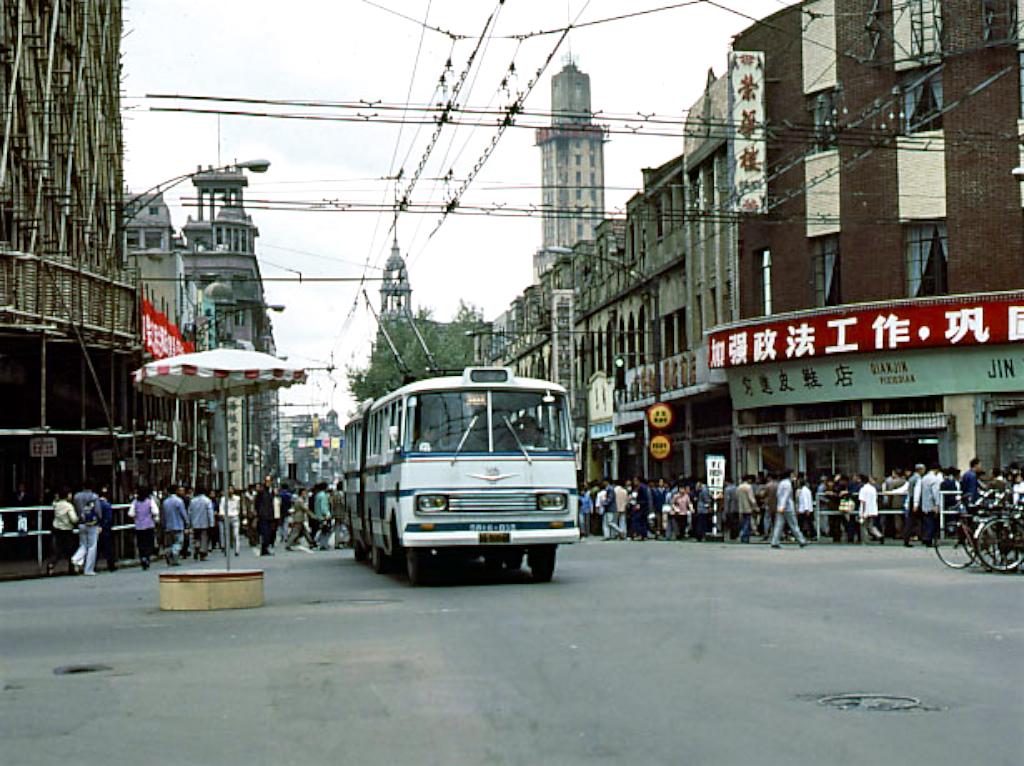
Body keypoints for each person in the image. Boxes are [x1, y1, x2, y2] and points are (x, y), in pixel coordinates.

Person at [770, 469, 807, 549]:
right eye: (793, 474)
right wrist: (783, 506)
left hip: (780, 507)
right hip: (788, 508)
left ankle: (775, 541)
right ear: (790, 474)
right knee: (793, 524)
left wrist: (780, 506)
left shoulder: (781, 483)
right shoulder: (788, 484)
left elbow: (779, 495)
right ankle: (801, 540)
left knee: (779, 525)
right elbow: (785, 496)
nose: (794, 476)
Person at [71, 480, 101, 575]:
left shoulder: (76, 496)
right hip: (92, 523)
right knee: (92, 546)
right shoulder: (94, 496)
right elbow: (97, 511)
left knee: (83, 544)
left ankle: (76, 558)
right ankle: (88, 569)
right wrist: (99, 520)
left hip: (81, 522)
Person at [45, 489, 78, 576]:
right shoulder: (69, 506)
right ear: (67, 495)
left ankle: (51, 565)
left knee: (57, 550)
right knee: (71, 550)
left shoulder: (56, 505)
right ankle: (72, 568)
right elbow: (73, 519)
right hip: (67, 530)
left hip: (56, 529)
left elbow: (53, 502)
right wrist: (78, 519)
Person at [129, 486, 159, 570]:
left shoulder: (135, 502)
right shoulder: (150, 501)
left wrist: (136, 516)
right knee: (149, 543)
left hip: (139, 526)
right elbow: (155, 511)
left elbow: (131, 513)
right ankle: (147, 557)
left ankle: (142, 557)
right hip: (149, 525)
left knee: (141, 543)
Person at [916, 464, 943, 547]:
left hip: (925, 503)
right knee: (932, 522)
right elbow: (935, 493)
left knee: (926, 521)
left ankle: (925, 538)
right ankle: (928, 539)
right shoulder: (934, 479)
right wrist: (937, 504)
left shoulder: (924, 478)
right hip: (932, 504)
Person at [161, 485, 189, 566]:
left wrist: (163, 524)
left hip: (168, 526)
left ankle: (169, 556)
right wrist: (187, 522)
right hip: (178, 525)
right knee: (178, 542)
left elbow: (163, 515)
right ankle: (174, 555)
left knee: (169, 543)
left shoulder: (165, 502)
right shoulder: (179, 501)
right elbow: (183, 513)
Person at [188, 487, 215, 560]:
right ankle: (202, 553)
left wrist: (189, 522)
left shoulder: (193, 501)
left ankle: (197, 546)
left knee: (196, 537)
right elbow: (210, 513)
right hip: (204, 523)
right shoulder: (207, 500)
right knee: (204, 538)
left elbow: (189, 512)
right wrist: (212, 523)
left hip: (195, 523)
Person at [95, 484, 117, 572]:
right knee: (108, 547)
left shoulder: (96, 504)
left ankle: (94, 565)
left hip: (96, 528)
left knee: (97, 548)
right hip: (106, 529)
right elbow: (109, 518)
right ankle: (111, 565)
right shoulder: (107, 505)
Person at [858, 473, 884, 543]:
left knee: (863, 526)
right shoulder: (873, 488)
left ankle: (865, 539)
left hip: (865, 509)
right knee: (871, 525)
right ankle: (879, 535)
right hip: (873, 509)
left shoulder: (863, 489)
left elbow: (863, 501)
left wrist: (863, 512)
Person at [255, 477, 276, 556]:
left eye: (270, 481)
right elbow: (257, 503)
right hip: (263, 516)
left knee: (270, 533)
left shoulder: (271, 492)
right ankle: (264, 549)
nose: (268, 483)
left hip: (270, 516)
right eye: (267, 481)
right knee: (265, 533)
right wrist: (259, 513)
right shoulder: (261, 492)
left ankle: (265, 548)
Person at [219, 485, 242, 557]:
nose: (230, 491)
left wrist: (238, 513)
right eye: (229, 489)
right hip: (227, 517)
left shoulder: (237, 498)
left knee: (236, 534)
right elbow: (221, 508)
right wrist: (222, 515)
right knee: (226, 534)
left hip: (235, 517)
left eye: (231, 489)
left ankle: (237, 550)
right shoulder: (223, 499)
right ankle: (226, 549)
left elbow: (238, 507)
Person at [737, 475, 757, 543]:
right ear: (748, 480)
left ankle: (745, 537)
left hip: (741, 507)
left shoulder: (739, 487)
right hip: (748, 507)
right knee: (747, 522)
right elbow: (751, 498)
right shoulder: (748, 487)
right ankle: (743, 534)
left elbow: (737, 497)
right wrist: (755, 506)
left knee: (743, 522)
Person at [796, 475, 815, 541]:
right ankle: (811, 534)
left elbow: (805, 500)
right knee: (808, 523)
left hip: (804, 510)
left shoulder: (804, 491)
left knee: (803, 523)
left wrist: (806, 509)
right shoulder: (807, 490)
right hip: (806, 509)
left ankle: (809, 534)